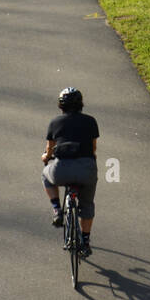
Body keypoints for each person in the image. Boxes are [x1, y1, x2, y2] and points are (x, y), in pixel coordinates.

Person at [41, 87, 99, 257]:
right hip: (86, 169)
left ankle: (57, 209)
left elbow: (49, 149)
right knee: (87, 205)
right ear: (81, 104)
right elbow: (94, 148)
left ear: (61, 106)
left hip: (61, 170)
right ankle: (86, 242)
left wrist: (46, 157)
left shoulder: (54, 122)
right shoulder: (91, 121)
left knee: (46, 175)